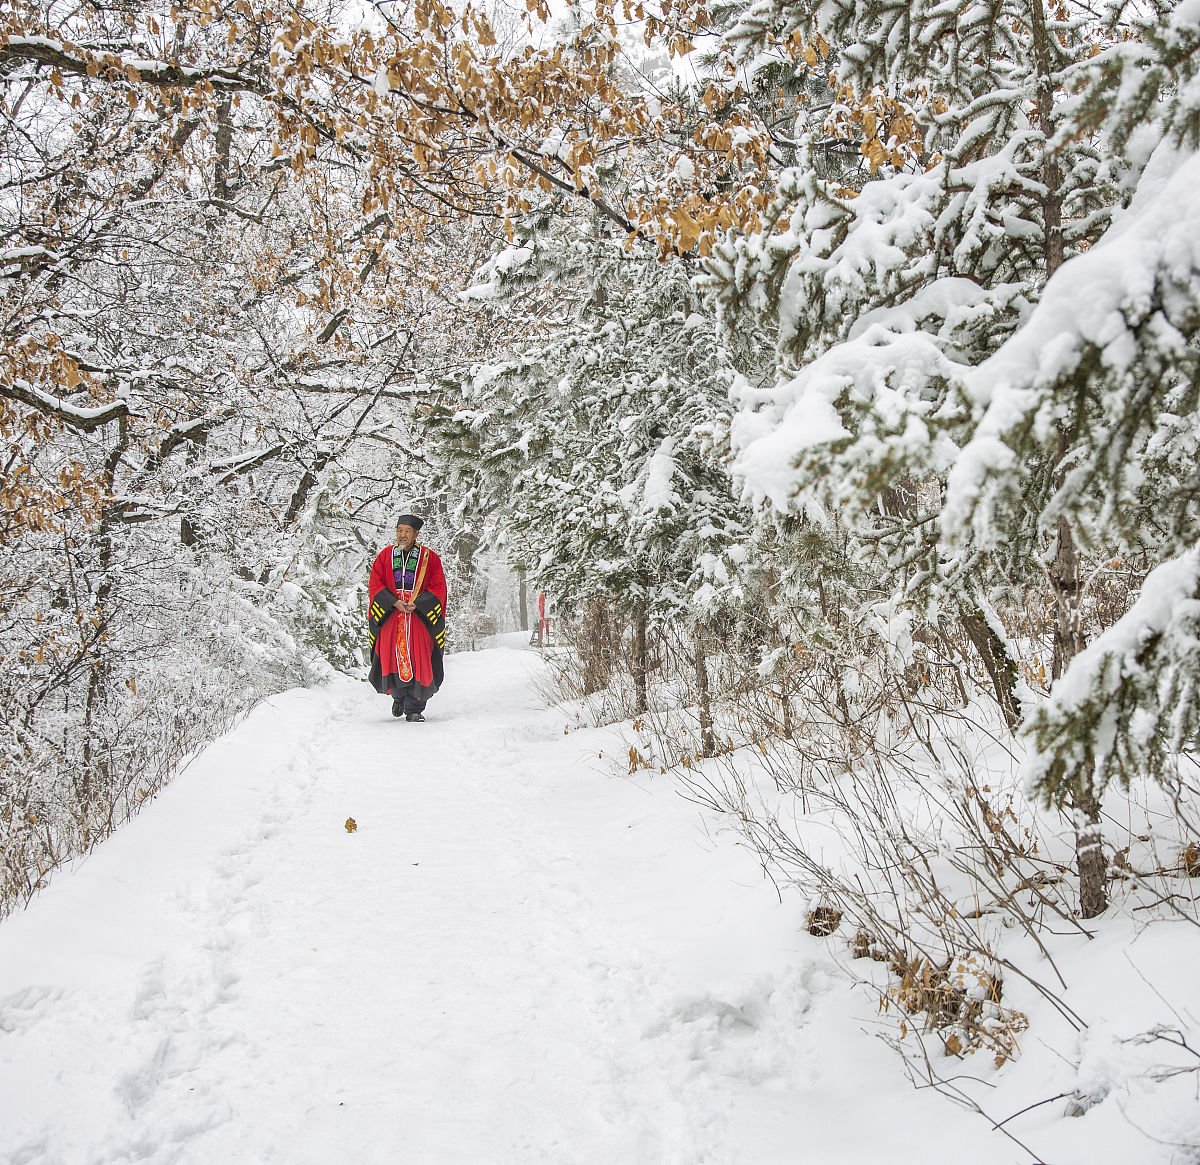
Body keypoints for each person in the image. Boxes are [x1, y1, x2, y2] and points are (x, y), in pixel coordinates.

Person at [367, 514, 447, 721]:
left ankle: (414, 709)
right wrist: (393, 602)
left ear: (416, 534)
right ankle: (398, 697)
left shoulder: (430, 558)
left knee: (419, 660)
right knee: (391, 658)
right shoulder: (385, 556)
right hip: (392, 616)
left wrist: (419, 603)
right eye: (399, 530)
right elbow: (375, 583)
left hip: (418, 619)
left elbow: (438, 587)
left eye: (407, 531)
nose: (402, 535)